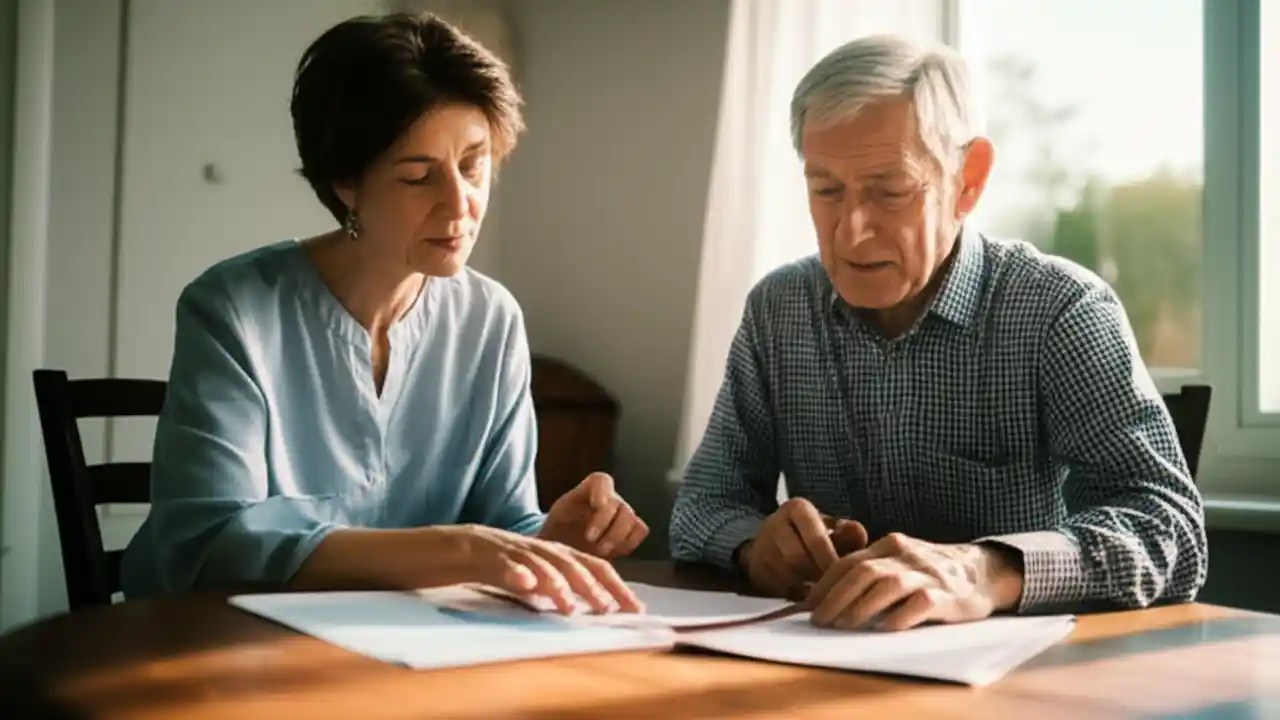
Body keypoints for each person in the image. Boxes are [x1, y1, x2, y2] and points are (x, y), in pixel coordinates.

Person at [669, 35, 1207, 630]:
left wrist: (987, 570)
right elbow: (702, 505)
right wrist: (751, 545)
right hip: (824, 661)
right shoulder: (779, 310)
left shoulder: (1060, 310)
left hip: (1017, 676)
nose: (850, 232)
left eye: (891, 191)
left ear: (968, 180)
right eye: (825, 189)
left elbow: (1170, 529)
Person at [122, 13, 649, 613]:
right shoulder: (234, 310)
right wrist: (463, 550)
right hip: (224, 650)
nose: (460, 204)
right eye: (418, 176)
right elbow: (212, 543)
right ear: (346, 182)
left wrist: (554, 539)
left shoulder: (491, 320)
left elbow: (501, 523)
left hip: (409, 656)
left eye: (473, 164)